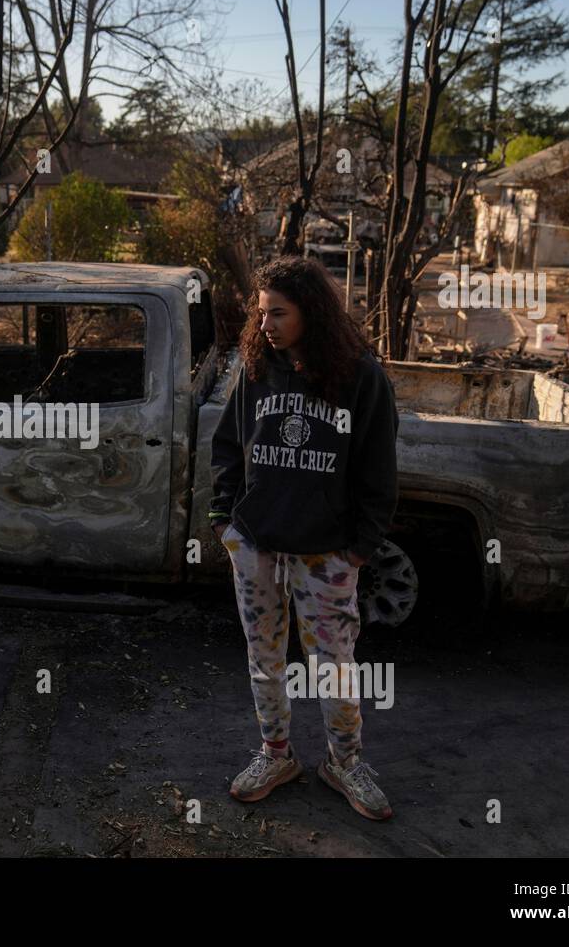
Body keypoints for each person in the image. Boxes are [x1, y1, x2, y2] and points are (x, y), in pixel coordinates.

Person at [209, 255, 399, 821]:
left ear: (312, 312)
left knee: (333, 664)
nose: (266, 323)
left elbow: (379, 472)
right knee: (264, 657)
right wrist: (227, 524)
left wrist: (359, 548)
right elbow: (226, 448)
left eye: (279, 313)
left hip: (327, 553)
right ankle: (276, 755)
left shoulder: (359, 377)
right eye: (261, 312)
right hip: (257, 544)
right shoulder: (256, 369)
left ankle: (345, 762)